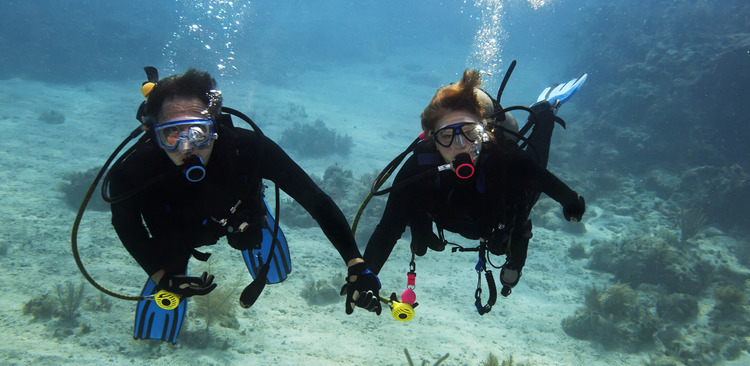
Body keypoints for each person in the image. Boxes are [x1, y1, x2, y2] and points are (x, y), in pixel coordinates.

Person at [105, 68, 381, 341]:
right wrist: (159, 275)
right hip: (176, 231)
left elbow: (315, 200)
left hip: (237, 216)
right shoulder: (134, 170)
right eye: (172, 132)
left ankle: (259, 224)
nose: (187, 147)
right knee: (171, 271)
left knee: (249, 234)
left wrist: (355, 262)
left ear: (214, 127)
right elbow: (125, 225)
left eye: (198, 131)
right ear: (155, 133)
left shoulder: (248, 149)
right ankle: (168, 278)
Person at [362, 68, 585, 313]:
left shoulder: (507, 159)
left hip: (500, 211)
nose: (460, 146)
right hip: (450, 214)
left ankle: (545, 112)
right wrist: (366, 276)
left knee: (529, 179)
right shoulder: (418, 168)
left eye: (470, 133)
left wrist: (571, 202)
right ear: (431, 139)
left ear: (483, 129)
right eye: (447, 135)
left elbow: (547, 182)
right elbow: (388, 229)